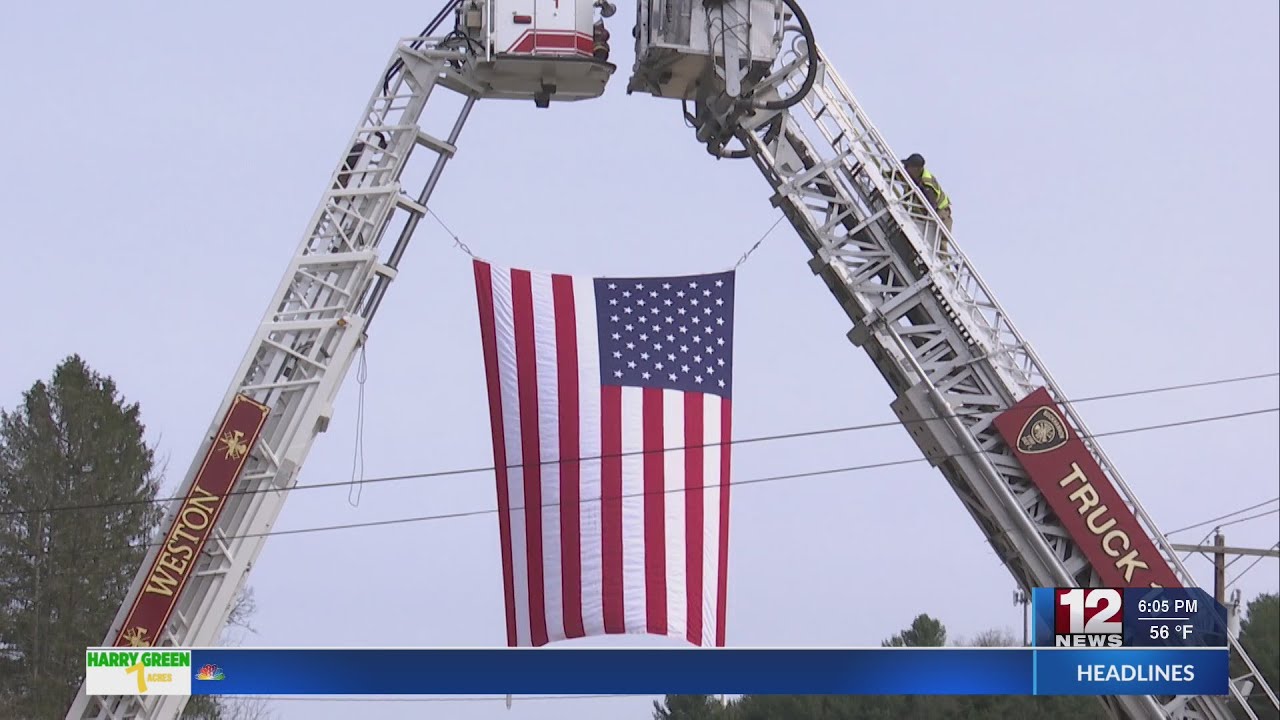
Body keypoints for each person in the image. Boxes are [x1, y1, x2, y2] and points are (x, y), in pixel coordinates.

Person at [901, 153, 952, 232]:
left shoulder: (927, 185)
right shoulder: (914, 177)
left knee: (938, 239)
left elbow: (932, 206)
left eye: (908, 166)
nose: (905, 168)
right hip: (930, 210)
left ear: (917, 169)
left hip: (941, 213)